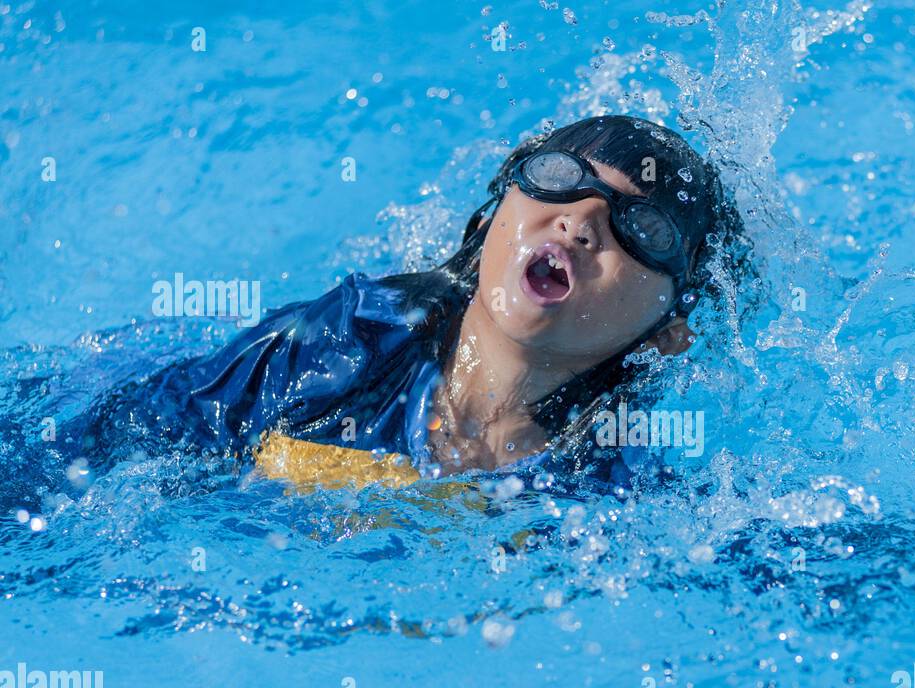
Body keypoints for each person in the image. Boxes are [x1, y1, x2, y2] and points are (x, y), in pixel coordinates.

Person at [67, 114, 748, 494]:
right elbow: (126, 436)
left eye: (643, 228)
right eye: (560, 176)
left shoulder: (605, 480)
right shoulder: (350, 341)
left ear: (671, 332)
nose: (580, 219)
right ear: (490, 218)